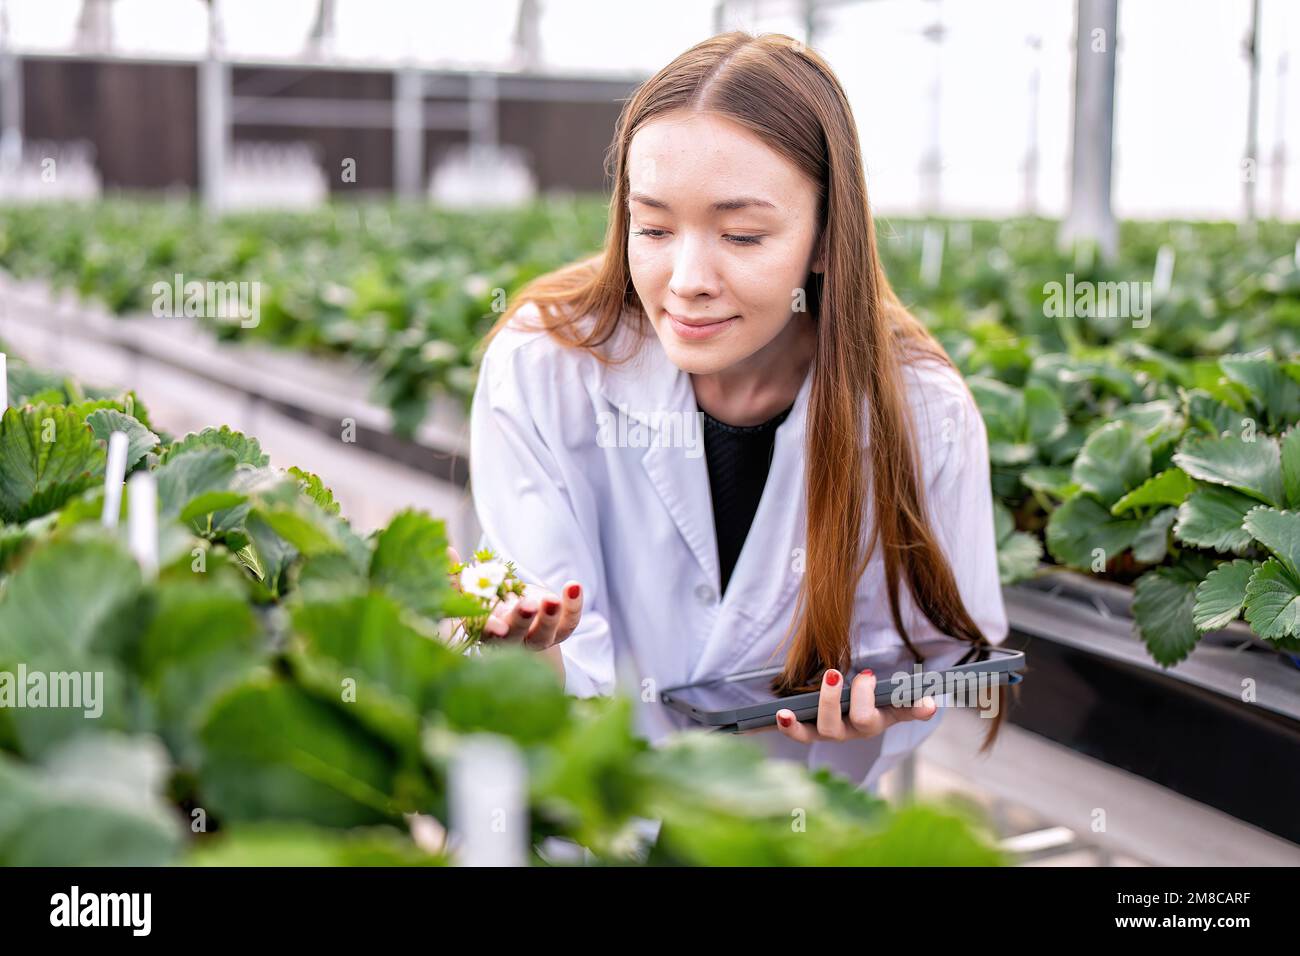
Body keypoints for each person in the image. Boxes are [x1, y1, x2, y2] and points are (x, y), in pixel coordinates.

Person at [461, 31, 1009, 794]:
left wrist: (879, 712)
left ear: (826, 238)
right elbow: (558, 656)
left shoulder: (923, 414)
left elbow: (939, 652)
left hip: (779, 819)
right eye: (653, 228)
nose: (687, 279)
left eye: (742, 235)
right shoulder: (543, 366)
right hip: (578, 817)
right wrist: (523, 650)